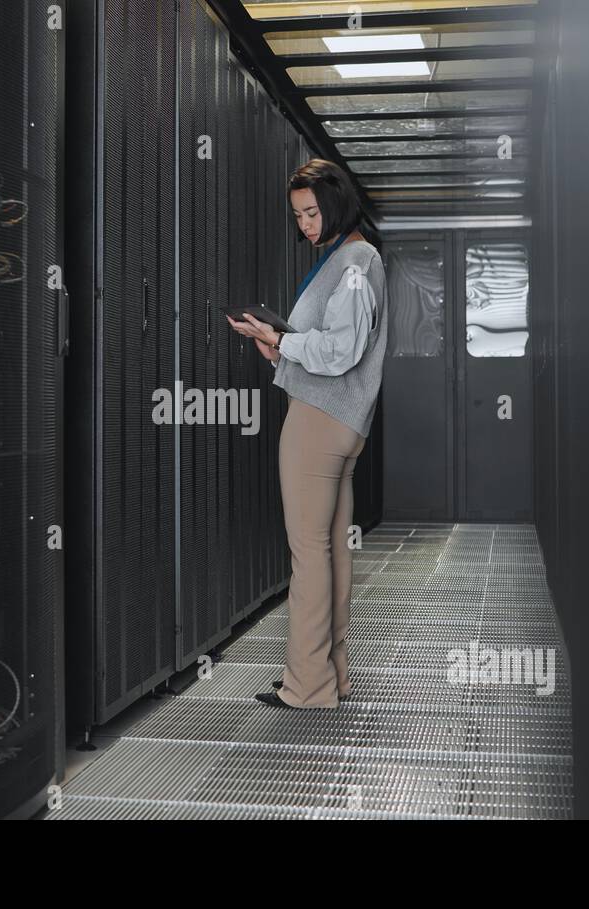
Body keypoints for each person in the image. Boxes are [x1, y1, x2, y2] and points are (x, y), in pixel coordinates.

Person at [226, 158, 388, 708]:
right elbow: (331, 350)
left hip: (319, 423)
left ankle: (307, 686)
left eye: (313, 212)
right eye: (298, 216)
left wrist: (284, 339)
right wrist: (277, 347)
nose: (305, 225)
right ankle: (332, 676)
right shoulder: (351, 260)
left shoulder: (353, 262)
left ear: (337, 202)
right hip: (341, 422)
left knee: (309, 552)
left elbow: (341, 352)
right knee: (333, 549)